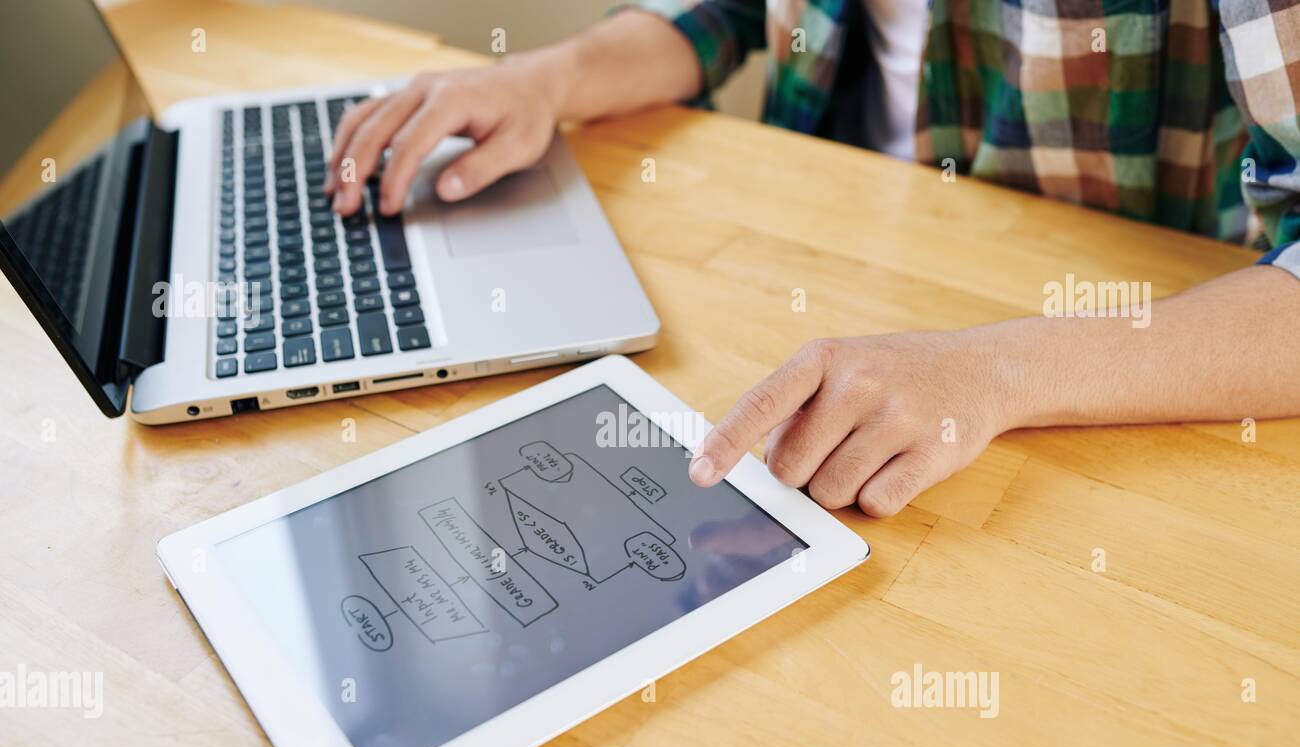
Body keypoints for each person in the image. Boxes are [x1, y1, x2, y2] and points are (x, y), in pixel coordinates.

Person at [326, 1, 1300, 517]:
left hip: (1111, 367)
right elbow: (731, 10)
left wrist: (995, 371)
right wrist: (548, 79)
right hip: (818, 272)